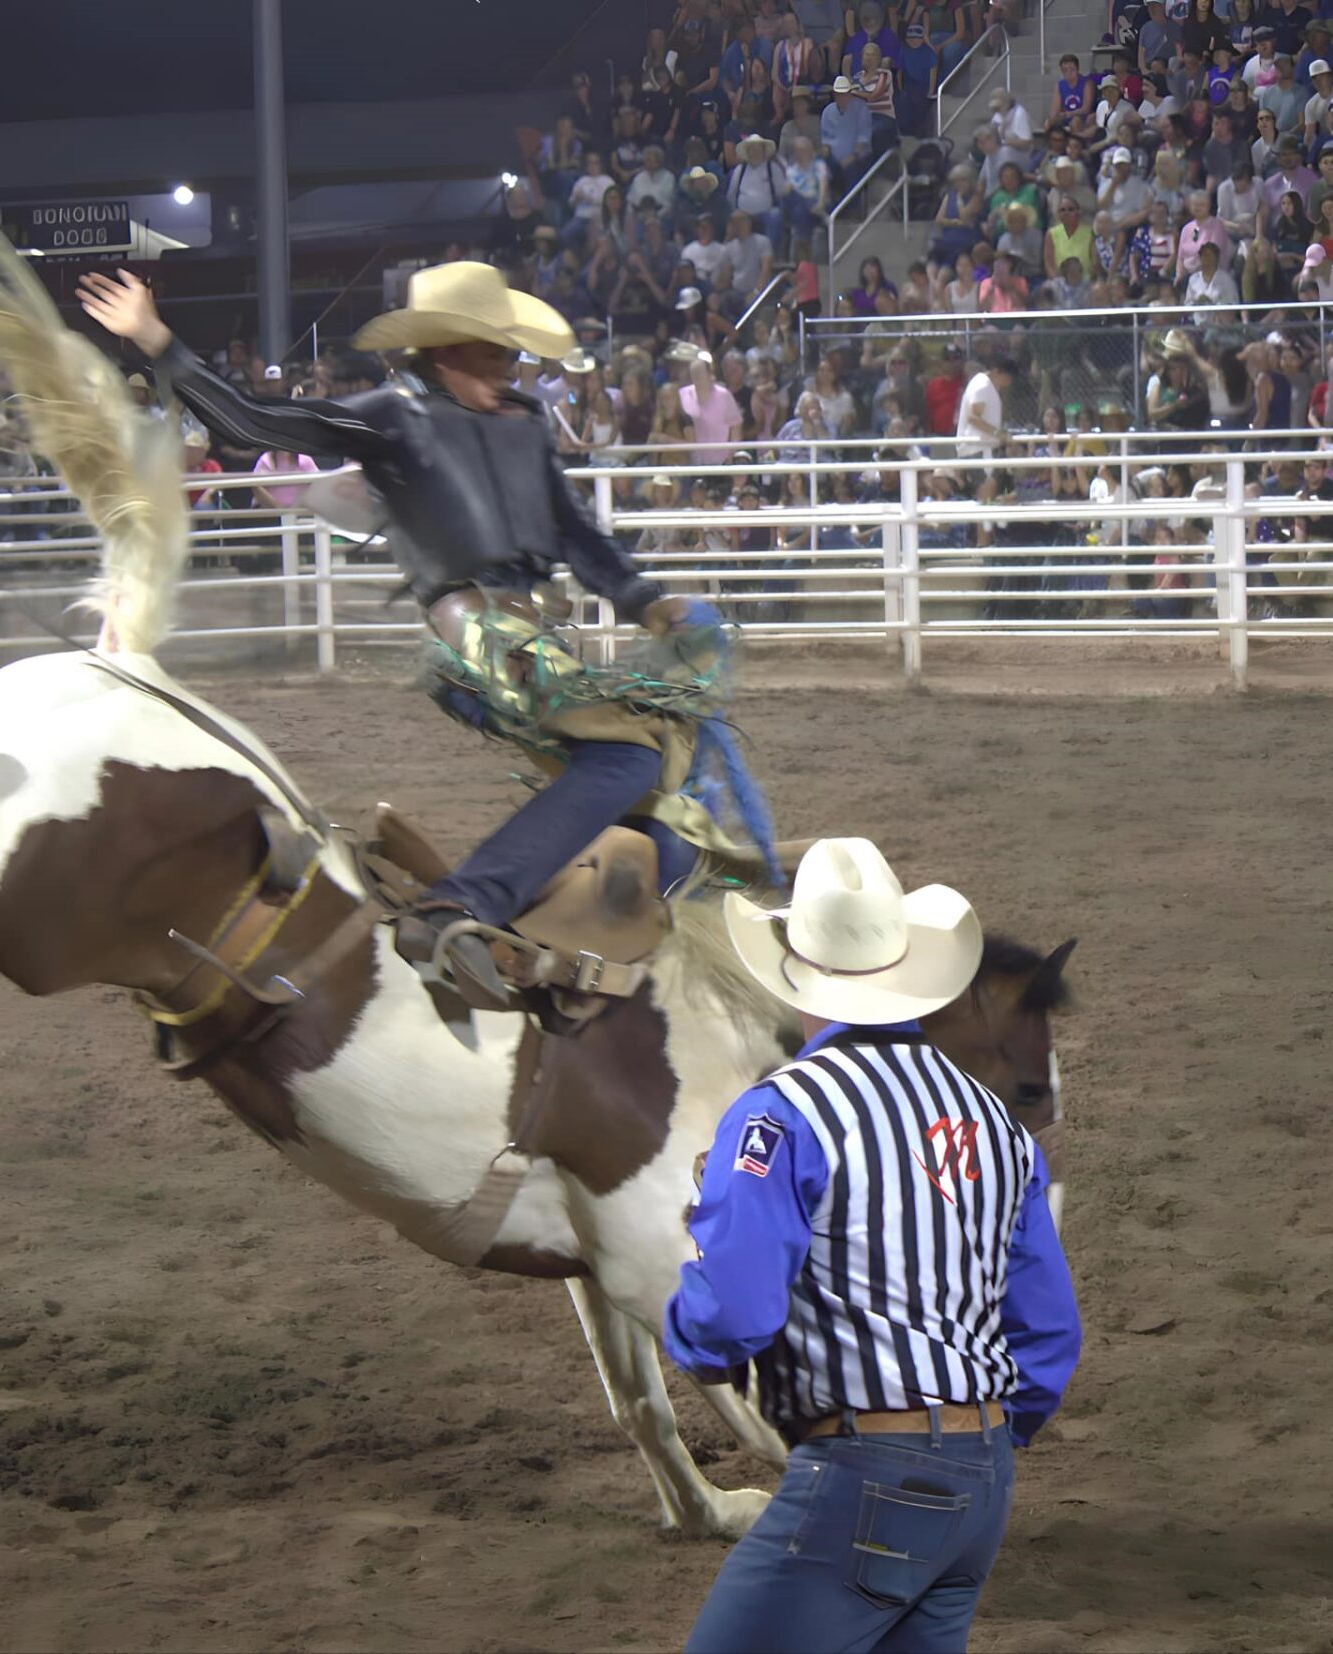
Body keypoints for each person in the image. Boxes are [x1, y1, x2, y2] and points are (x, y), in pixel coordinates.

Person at [77, 261, 751, 1002]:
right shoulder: (393, 418)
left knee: (660, 767)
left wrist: (643, 598)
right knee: (626, 760)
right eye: (496, 353)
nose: (511, 367)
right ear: (447, 353)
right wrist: (158, 341)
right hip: (474, 640)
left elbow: (572, 530)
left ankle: (637, 934)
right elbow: (259, 421)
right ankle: (466, 903)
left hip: (532, 640)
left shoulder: (523, 425)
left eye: (511, 354)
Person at [669, 836, 1081, 1654]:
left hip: (867, 1477)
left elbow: (735, 1314)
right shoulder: (1001, 1126)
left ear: (799, 977)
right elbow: (1047, 1329)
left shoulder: (780, 1114)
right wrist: (985, 1440)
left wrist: (691, 1328)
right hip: (983, 1486)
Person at [956, 355, 1013, 461]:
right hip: (978, 450)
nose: (1008, 382)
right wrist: (997, 433)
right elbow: (972, 417)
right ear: (996, 372)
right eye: (1007, 378)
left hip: (983, 449)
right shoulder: (983, 386)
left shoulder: (987, 385)